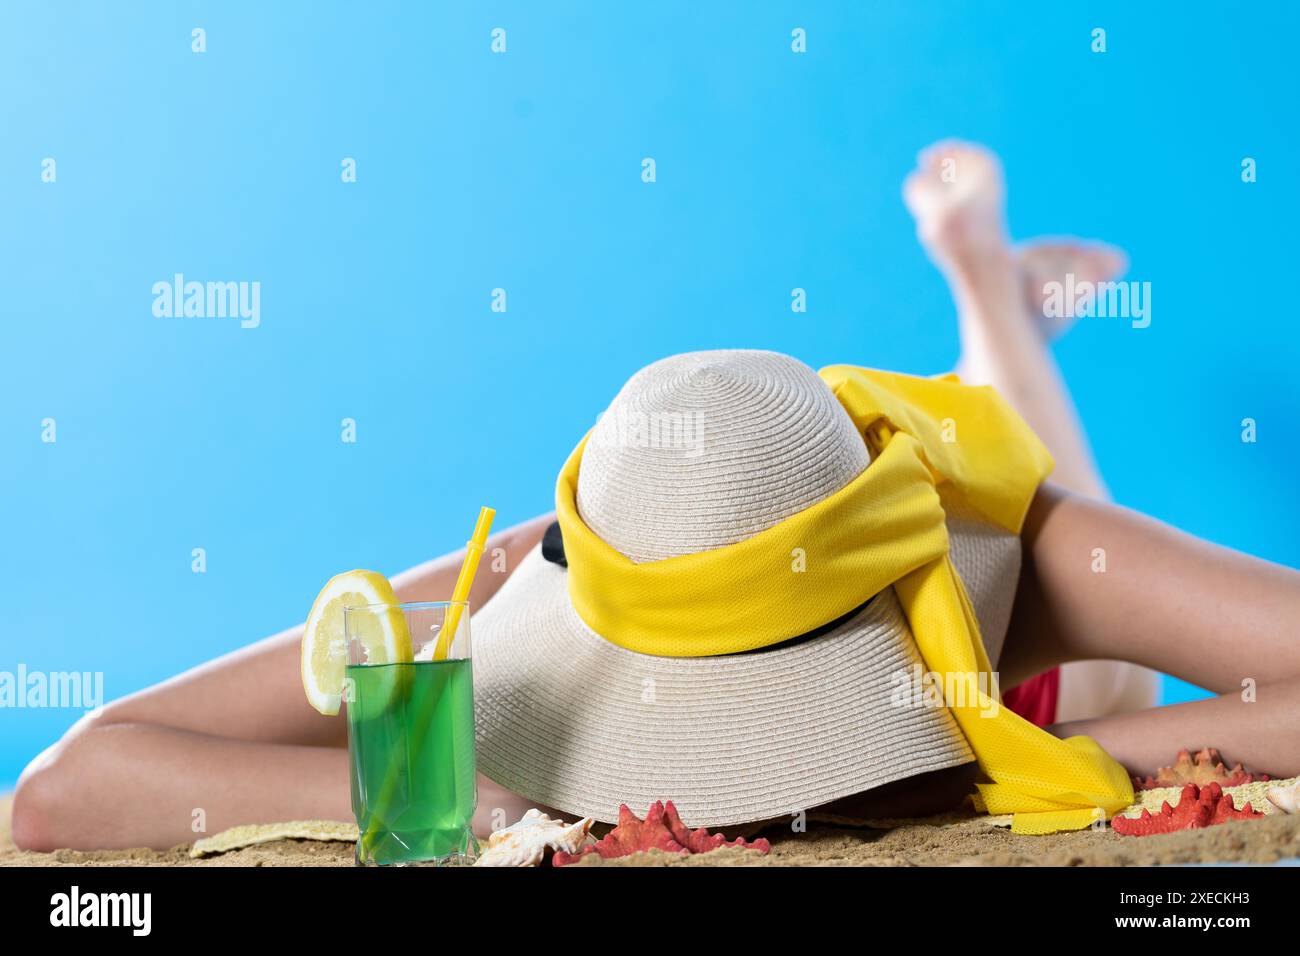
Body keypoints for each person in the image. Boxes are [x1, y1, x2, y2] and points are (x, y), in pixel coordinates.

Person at [13, 143, 1300, 851]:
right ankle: (997, 297)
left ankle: (989, 296)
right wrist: (463, 796)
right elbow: (61, 788)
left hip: (984, 651)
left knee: (1063, 511)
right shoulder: (517, 605)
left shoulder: (1016, 556)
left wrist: (1022, 762)